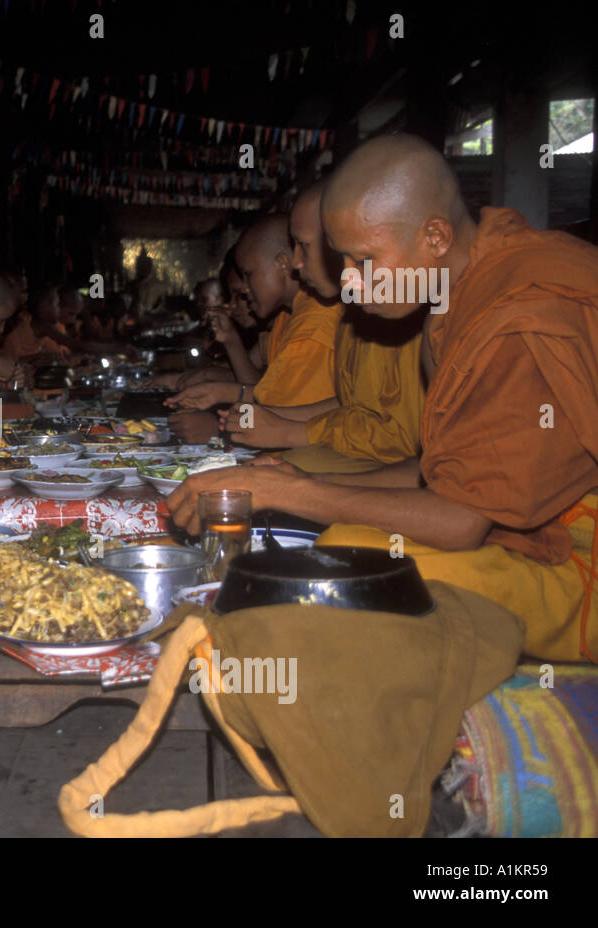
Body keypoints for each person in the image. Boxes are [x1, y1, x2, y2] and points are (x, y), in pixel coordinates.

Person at [168, 133, 598, 663]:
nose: (348, 281)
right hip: (510, 529)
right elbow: (438, 469)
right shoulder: (457, 290)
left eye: (362, 260)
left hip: (580, 564)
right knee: (344, 536)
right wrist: (297, 482)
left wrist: (282, 491)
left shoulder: (515, 315)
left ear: (435, 236)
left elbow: (462, 521)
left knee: (345, 569)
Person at [221, 181, 425, 473]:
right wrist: (276, 421)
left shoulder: (403, 306)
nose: (295, 263)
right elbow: (348, 403)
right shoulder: (351, 313)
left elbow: (400, 442)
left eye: (304, 246)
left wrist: (290, 433)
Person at [167, 213, 341, 422]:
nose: (244, 287)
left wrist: (221, 420)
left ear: (283, 263)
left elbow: (284, 417)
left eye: (249, 274)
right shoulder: (287, 316)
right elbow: (266, 393)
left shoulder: (315, 320)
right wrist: (217, 392)